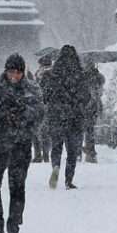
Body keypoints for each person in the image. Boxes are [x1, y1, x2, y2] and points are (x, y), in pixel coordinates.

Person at [0, 54, 44, 233]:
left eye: (17, 72)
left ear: (23, 72)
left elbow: (40, 113)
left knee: (17, 186)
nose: (14, 76)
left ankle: (14, 227)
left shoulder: (32, 89)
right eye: (10, 72)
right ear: (5, 71)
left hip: (20, 143)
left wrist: (23, 113)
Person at [42, 45, 90, 190]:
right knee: (72, 150)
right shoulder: (80, 74)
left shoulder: (52, 74)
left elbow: (45, 97)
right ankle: (69, 180)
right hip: (75, 117)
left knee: (56, 146)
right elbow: (86, 97)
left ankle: (56, 166)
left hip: (57, 116)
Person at [82, 60, 105, 163]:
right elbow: (100, 92)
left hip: (86, 106)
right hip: (94, 106)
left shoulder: (84, 77)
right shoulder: (98, 77)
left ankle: (87, 151)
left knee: (86, 129)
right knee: (89, 130)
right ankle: (90, 151)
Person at [35, 55, 54, 162]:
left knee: (41, 130)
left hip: (42, 105)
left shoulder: (41, 75)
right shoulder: (55, 74)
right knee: (46, 131)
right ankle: (44, 153)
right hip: (48, 105)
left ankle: (41, 154)